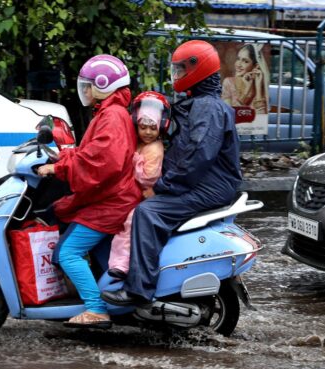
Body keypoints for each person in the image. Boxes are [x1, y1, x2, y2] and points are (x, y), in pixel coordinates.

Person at [101, 40, 242, 307]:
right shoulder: (197, 103)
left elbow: (198, 155)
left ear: (196, 70)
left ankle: (138, 291)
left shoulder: (208, 107)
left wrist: (164, 186)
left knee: (147, 213)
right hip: (203, 182)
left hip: (207, 186)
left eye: (181, 70)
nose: (176, 75)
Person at [36, 54, 140, 328]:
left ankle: (96, 309)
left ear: (104, 85)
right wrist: (63, 157)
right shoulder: (109, 113)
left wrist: (59, 168)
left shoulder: (113, 116)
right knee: (103, 257)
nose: (86, 90)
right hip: (111, 197)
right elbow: (92, 153)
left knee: (67, 253)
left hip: (111, 202)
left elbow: (101, 163)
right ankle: (111, 302)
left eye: (89, 85)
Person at [107, 91, 170, 279]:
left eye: (153, 127)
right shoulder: (138, 143)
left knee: (129, 223)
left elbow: (148, 178)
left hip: (143, 195)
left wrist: (134, 161)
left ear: (161, 127)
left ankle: (121, 265)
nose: (148, 132)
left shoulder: (155, 148)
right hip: (133, 192)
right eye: (143, 127)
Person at [221, 43, 269, 115]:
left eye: (245, 61)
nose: (238, 64)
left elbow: (261, 118)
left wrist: (258, 88)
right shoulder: (228, 82)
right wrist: (246, 92)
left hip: (254, 126)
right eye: (238, 59)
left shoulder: (261, 86)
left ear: (255, 66)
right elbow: (229, 115)